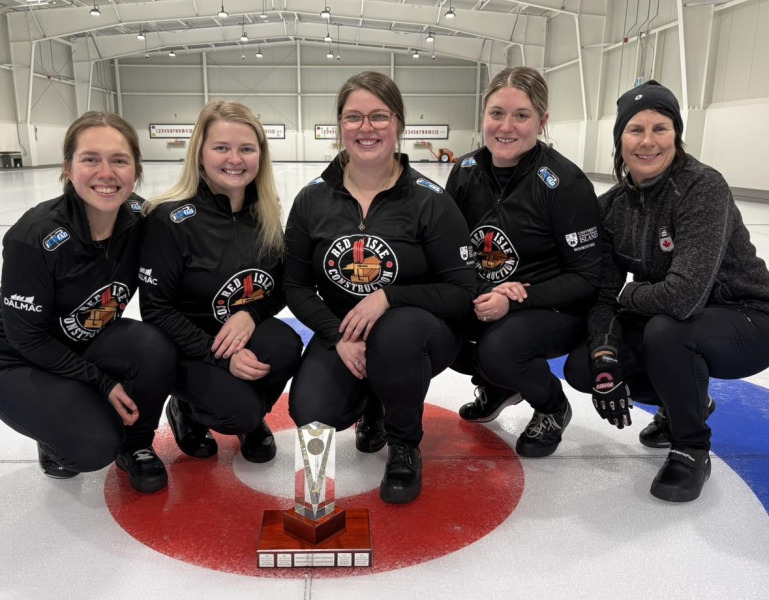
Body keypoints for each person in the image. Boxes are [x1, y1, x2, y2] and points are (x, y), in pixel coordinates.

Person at [563, 80, 769, 502]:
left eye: (661, 128)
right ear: (620, 139)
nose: (648, 141)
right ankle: (685, 402)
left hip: (747, 317)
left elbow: (683, 297)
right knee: (584, 367)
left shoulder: (701, 187)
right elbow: (603, 295)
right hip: (678, 322)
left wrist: (626, 298)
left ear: (676, 133)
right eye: (635, 130)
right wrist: (605, 355)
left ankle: (691, 446)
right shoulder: (611, 207)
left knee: (665, 330)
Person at [284, 71, 476, 504]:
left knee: (395, 333)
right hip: (345, 333)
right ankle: (372, 402)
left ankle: (404, 440)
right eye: (353, 117)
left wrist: (389, 296)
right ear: (339, 126)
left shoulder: (429, 200)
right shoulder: (311, 200)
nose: (365, 128)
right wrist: (337, 337)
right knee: (312, 411)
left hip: (418, 336)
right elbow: (295, 286)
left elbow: (463, 292)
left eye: (378, 117)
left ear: (399, 124)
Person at [0, 112, 176, 494]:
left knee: (153, 345)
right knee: (93, 447)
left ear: (136, 169)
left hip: (83, 341)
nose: (106, 172)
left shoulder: (138, 219)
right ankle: (53, 435)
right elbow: (27, 339)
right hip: (19, 359)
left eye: (119, 160)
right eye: (90, 159)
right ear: (67, 168)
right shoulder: (34, 236)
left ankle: (137, 445)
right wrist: (101, 381)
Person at [446, 66, 601, 458]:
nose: (506, 126)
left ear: (542, 121)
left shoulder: (565, 183)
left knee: (499, 349)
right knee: (429, 331)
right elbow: (449, 252)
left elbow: (586, 277)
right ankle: (498, 385)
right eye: (497, 113)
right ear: (483, 116)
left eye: (521, 115)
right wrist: (482, 292)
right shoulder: (464, 172)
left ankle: (551, 406)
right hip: (486, 297)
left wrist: (518, 297)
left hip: (552, 306)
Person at [140, 100, 302, 464]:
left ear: (260, 155)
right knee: (237, 411)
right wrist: (219, 354)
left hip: (236, 333)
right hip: (186, 346)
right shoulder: (170, 220)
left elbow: (277, 288)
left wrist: (251, 315)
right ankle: (187, 409)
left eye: (246, 149)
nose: (235, 159)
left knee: (285, 344)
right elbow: (156, 311)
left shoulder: (266, 212)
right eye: (222, 148)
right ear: (200, 154)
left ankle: (249, 415)